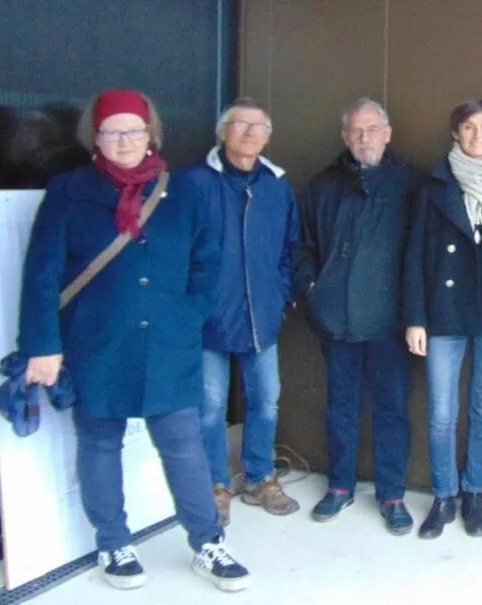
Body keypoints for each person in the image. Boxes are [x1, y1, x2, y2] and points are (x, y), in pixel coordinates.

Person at [16, 89, 250, 592]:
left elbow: (208, 264)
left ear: (152, 133)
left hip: (169, 343)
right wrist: (42, 343)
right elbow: (42, 273)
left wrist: (188, 315)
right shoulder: (69, 190)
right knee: (100, 443)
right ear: (94, 137)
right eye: (111, 130)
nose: (123, 140)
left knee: (184, 445)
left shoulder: (183, 191)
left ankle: (207, 540)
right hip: (96, 342)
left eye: (134, 129)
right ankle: (113, 542)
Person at [403, 98, 482, 539]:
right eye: (469, 128)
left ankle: (474, 494)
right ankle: (443, 496)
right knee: (441, 411)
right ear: (455, 134)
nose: (478, 135)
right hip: (443, 313)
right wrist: (415, 318)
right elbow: (414, 255)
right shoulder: (432, 186)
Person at [296, 97, 417, 535]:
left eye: (372, 129)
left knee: (391, 409)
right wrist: (313, 290)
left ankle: (392, 494)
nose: (364, 138)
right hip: (336, 318)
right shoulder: (323, 185)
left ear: (388, 132)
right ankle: (340, 487)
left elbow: (420, 256)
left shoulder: (410, 185)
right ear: (345, 137)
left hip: (390, 322)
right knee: (340, 407)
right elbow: (302, 246)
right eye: (355, 131)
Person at [184, 97, 301, 527]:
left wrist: (280, 294)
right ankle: (215, 485)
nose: (251, 133)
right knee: (209, 405)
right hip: (208, 319)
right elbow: (177, 250)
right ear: (222, 131)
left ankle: (259, 478)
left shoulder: (276, 185)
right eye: (241, 124)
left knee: (265, 401)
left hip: (261, 316)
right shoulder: (193, 183)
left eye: (260, 127)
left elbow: (291, 250)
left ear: (268, 137)